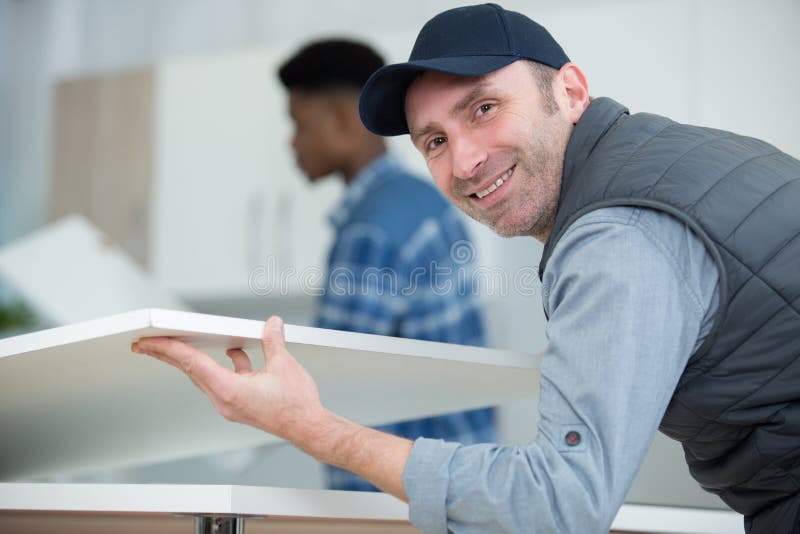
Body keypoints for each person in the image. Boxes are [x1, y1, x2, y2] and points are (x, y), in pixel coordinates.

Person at [132, 4, 800, 533]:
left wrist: (305, 425)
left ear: (570, 90)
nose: (466, 161)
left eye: (484, 108)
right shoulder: (662, 162)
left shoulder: (613, 235)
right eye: (435, 141)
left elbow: (558, 507)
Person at [275, 39, 494, 491]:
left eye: (298, 124)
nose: (292, 142)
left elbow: (335, 394)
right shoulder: (426, 202)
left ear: (338, 118)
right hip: (461, 482)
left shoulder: (369, 231)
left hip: (392, 499)